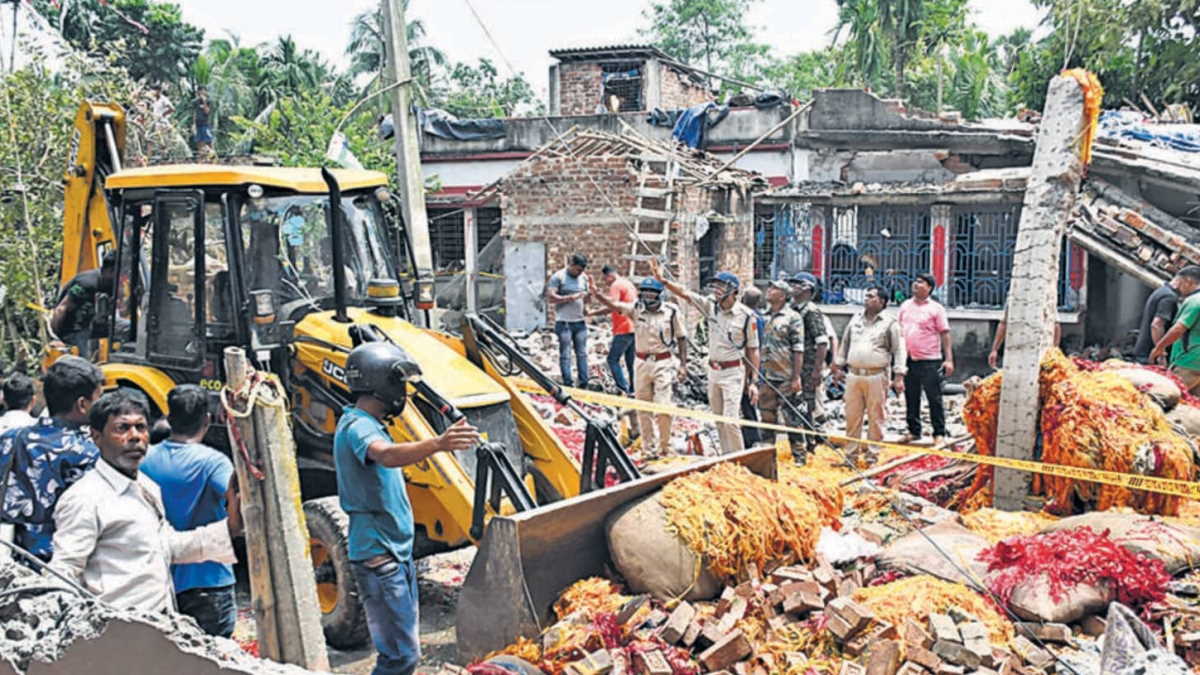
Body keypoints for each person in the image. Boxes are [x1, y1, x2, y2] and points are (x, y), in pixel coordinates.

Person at [335, 342, 481, 675]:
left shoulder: (369, 422)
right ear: (382, 384)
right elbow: (384, 454)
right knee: (400, 657)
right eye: (398, 384)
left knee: (401, 654)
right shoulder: (357, 426)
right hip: (380, 558)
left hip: (394, 555)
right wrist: (439, 444)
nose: (402, 392)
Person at [50, 390, 241, 614]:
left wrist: (230, 528)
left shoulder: (146, 487)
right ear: (96, 436)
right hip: (114, 634)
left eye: (140, 427)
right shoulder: (85, 498)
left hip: (156, 628)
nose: (135, 436)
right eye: (122, 428)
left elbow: (167, 546)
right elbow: (63, 572)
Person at [140, 385, 237, 638]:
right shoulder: (213, 462)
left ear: (169, 418)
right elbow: (235, 497)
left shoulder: (144, 459)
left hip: (161, 579)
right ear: (207, 420)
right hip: (209, 579)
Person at [0, 356, 103, 561]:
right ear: (82, 404)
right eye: (98, 398)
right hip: (64, 567)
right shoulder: (88, 453)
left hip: (14, 562)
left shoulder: (11, 438)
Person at [652, 260, 759, 455]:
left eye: (722, 286)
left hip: (734, 371)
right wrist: (663, 281)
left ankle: (740, 458)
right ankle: (727, 458)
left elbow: (753, 350)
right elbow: (685, 293)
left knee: (731, 419)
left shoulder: (746, 316)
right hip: (713, 371)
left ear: (733, 291)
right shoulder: (710, 306)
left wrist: (753, 382)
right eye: (716, 286)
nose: (717, 290)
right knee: (719, 418)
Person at [591, 277, 688, 456]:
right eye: (645, 292)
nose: (648, 296)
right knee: (643, 407)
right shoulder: (636, 309)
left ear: (660, 294)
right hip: (641, 363)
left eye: (652, 292)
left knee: (663, 408)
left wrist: (683, 365)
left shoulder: (671, 312)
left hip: (663, 362)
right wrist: (598, 295)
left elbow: (682, 338)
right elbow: (615, 306)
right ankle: (649, 448)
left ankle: (664, 447)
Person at [832, 286, 906, 466]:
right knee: (852, 416)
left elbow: (899, 349)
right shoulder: (856, 319)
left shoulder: (890, 323)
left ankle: (872, 456)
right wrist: (838, 366)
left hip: (877, 375)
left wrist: (899, 375)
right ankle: (850, 457)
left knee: (876, 417)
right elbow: (845, 342)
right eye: (866, 295)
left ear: (882, 302)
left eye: (871, 296)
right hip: (854, 374)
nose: (867, 299)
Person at [898, 273, 953, 446]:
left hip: (930, 359)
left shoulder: (936, 309)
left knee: (934, 397)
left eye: (920, 282)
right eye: (915, 281)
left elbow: (945, 334)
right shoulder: (905, 306)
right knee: (911, 396)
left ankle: (939, 433)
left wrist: (949, 359)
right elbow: (898, 332)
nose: (916, 284)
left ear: (929, 287)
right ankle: (914, 430)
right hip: (908, 359)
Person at [757, 281, 807, 461]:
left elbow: (798, 349)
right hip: (766, 376)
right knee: (767, 417)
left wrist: (796, 377)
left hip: (785, 376)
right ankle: (767, 455)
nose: (768, 291)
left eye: (774, 289)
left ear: (783, 295)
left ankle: (799, 457)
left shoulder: (793, 317)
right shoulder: (764, 317)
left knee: (792, 418)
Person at [787, 273, 830, 453]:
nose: (793, 287)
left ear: (807, 288)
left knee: (808, 405)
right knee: (794, 405)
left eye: (797, 284)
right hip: (793, 366)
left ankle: (812, 442)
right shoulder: (792, 308)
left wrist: (817, 370)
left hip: (808, 366)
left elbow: (822, 342)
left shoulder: (810, 311)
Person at [50, 253, 117, 358]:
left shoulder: (113, 283)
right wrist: (56, 337)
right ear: (109, 271)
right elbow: (61, 309)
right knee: (84, 360)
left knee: (128, 329)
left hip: (93, 323)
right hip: (74, 329)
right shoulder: (86, 283)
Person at [1131, 268, 1200, 365]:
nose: (1192, 293)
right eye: (1194, 286)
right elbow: (1157, 324)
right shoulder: (1169, 297)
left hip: (1144, 352)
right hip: (1150, 356)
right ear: (1187, 281)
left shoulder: (1161, 291)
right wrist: (1161, 353)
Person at [1149, 268, 1200, 395]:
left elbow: (1179, 328)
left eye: (1181, 282)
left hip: (1188, 361)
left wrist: (1159, 348)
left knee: (1169, 397)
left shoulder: (1195, 301)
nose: (1179, 289)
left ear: (1188, 281)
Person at [545, 254, 592, 388]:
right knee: (565, 354)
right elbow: (551, 298)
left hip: (580, 322)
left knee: (582, 354)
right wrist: (571, 297)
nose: (579, 273)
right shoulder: (558, 277)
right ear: (570, 265)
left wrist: (589, 297)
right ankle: (568, 383)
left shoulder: (584, 278)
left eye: (581, 270)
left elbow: (587, 300)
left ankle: (584, 383)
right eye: (577, 270)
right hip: (564, 322)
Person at [590, 265, 637, 395]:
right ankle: (634, 390)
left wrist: (593, 313)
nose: (606, 283)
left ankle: (623, 388)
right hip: (634, 327)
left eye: (605, 280)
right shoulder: (628, 284)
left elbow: (613, 306)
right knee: (631, 362)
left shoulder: (616, 285)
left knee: (612, 359)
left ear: (609, 276)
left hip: (623, 328)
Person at [988, 306, 1064, 369]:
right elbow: (1003, 323)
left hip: (1039, 351)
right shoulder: (1013, 298)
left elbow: (1055, 324)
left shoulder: (1046, 297)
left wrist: (1054, 351)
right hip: (1016, 352)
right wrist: (994, 350)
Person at [739, 286, 767, 447]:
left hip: (749, 366)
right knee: (748, 403)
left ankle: (752, 439)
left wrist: (750, 376)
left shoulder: (750, 318)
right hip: (755, 364)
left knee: (747, 403)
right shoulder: (760, 318)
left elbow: (752, 348)